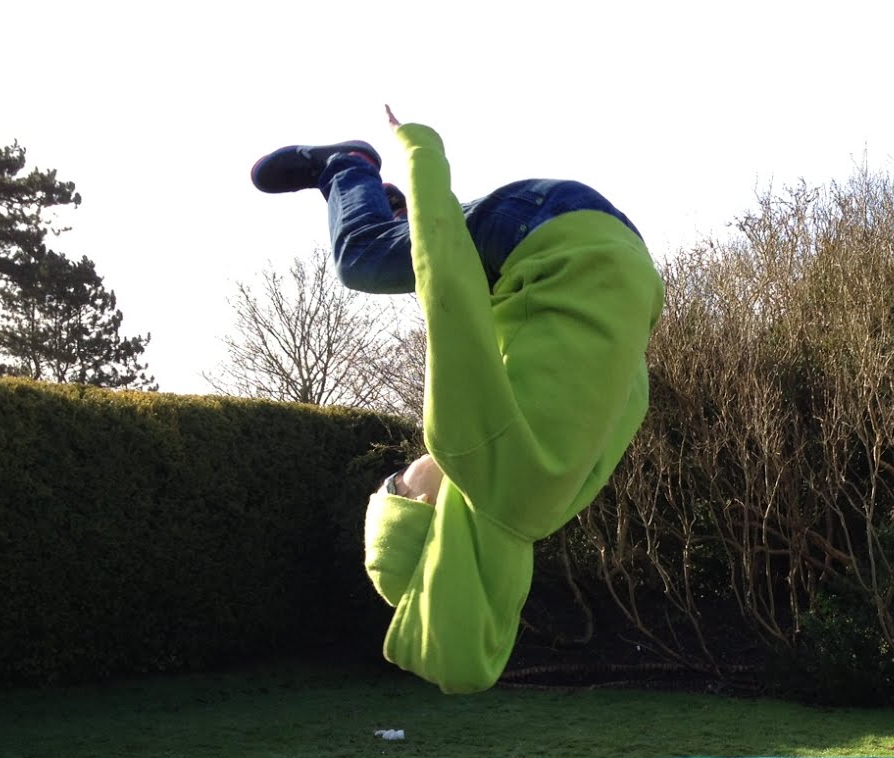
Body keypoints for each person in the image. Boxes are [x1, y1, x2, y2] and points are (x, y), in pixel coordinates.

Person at [250, 107, 665, 695]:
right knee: (361, 257)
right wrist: (422, 157)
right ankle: (349, 165)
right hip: (546, 230)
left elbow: (633, 396)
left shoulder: (551, 505)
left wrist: (620, 317)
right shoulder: (471, 455)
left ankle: (394, 216)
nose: (406, 470)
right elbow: (448, 290)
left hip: (627, 265)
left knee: (420, 257)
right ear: (430, 513)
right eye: (399, 488)